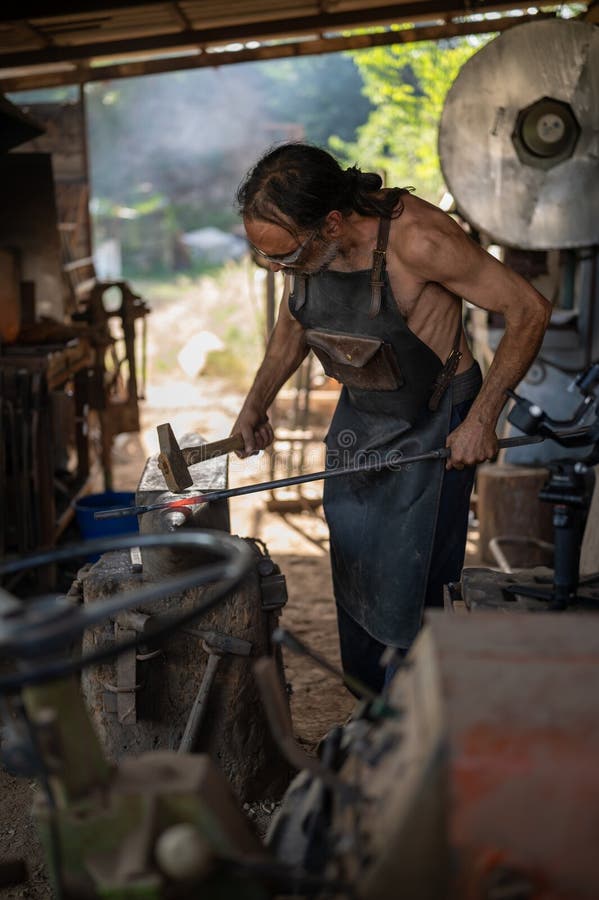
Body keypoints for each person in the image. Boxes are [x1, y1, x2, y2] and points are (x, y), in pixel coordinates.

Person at [232, 143, 551, 693]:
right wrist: (254, 403)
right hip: (363, 416)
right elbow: (294, 323)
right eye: (269, 258)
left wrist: (482, 418)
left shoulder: (421, 239)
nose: (278, 268)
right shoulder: (304, 248)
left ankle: (420, 713)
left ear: (332, 223)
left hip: (436, 421)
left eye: (286, 258)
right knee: (355, 560)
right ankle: (369, 700)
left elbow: (528, 309)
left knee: (417, 575)